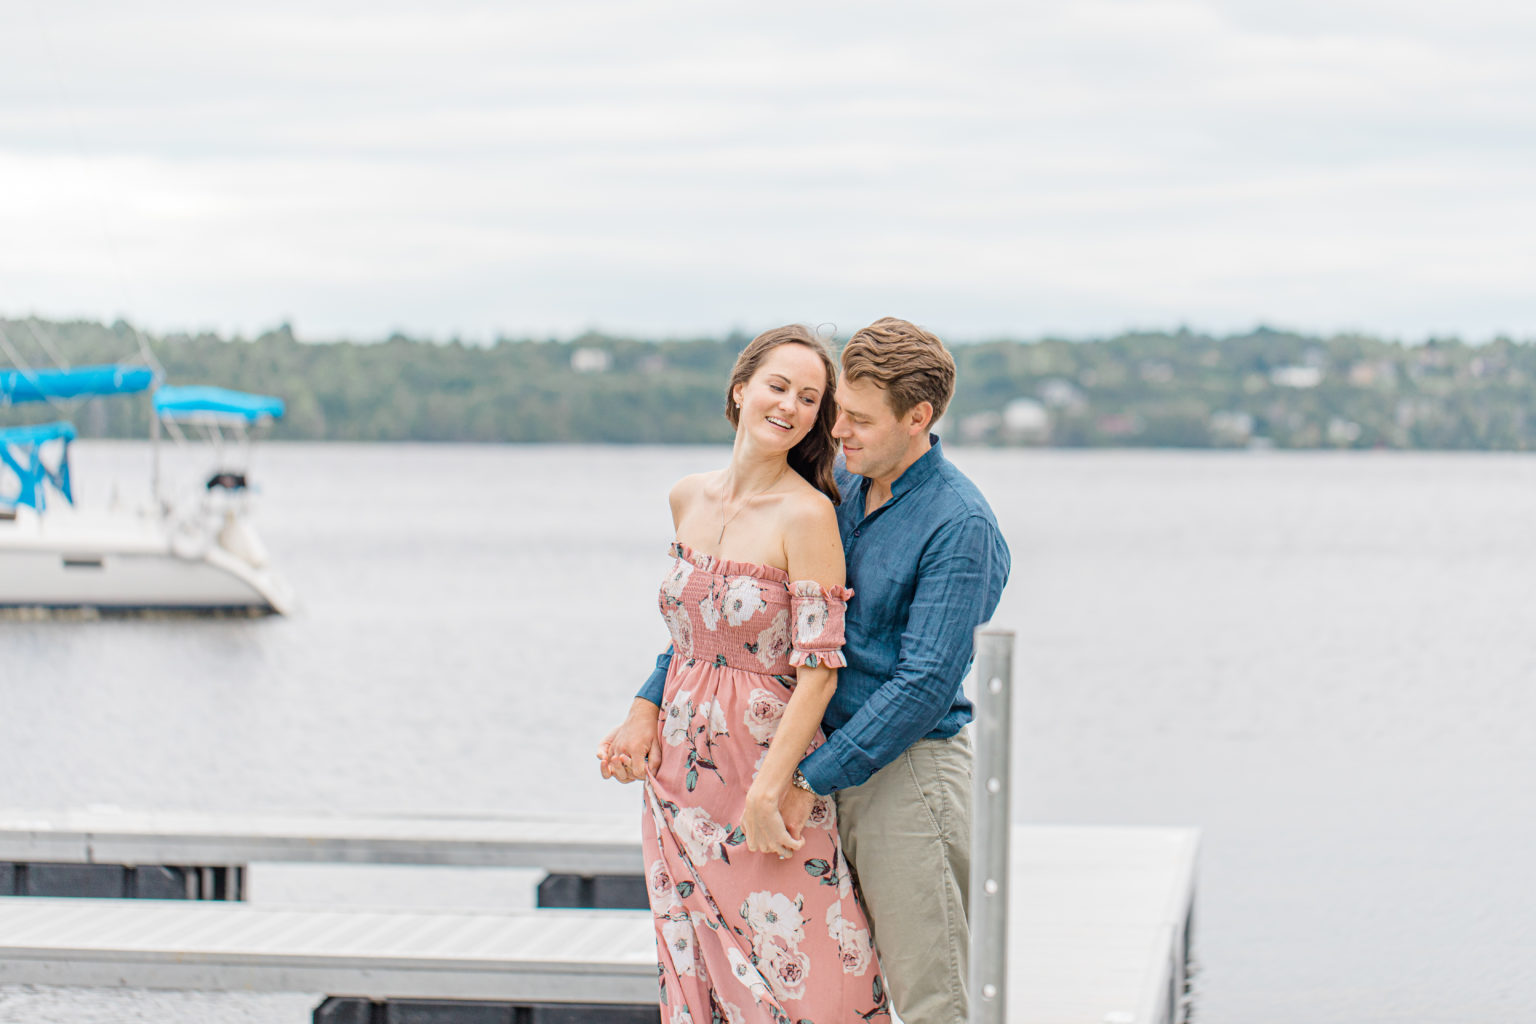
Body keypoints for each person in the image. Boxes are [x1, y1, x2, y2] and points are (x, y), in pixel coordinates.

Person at [604, 317, 1011, 1024]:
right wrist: (648, 702)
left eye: (854, 418)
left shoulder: (959, 524)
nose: (837, 431)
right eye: (837, 413)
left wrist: (800, 782)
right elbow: (733, 625)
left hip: (903, 778)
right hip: (807, 766)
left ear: (918, 418)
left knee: (927, 999)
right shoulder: (843, 488)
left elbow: (923, 685)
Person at [602, 324, 887, 1023]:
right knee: (698, 973)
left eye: (810, 398)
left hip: (768, 769)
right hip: (681, 777)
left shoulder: (809, 514)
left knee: (816, 979)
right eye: (778, 386)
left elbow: (818, 671)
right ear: (741, 389)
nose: (790, 406)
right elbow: (687, 636)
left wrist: (773, 789)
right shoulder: (686, 496)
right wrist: (641, 712)